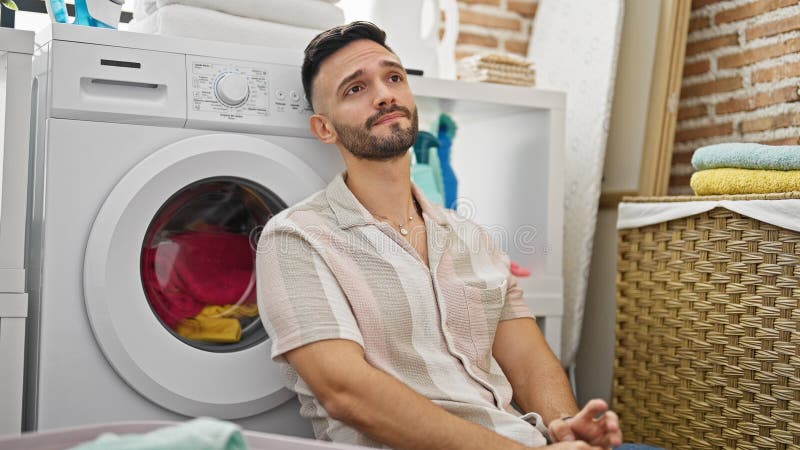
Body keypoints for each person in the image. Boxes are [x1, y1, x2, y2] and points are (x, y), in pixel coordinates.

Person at [256, 21, 630, 450]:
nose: (384, 94)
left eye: (393, 77)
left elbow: (529, 364)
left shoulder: (470, 236)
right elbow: (347, 394)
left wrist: (565, 425)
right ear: (325, 128)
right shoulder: (296, 239)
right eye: (355, 89)